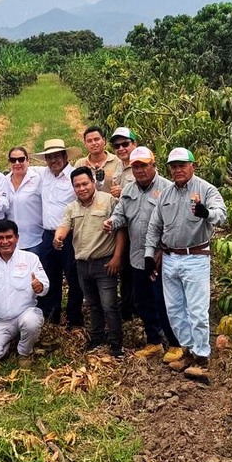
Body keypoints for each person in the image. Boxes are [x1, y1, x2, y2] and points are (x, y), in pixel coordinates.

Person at [144, 148, 227, 379]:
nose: (177, 169)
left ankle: (202, 357)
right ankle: (188, 352)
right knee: (175, 310)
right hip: (170, 258)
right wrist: (150, 256)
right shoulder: (166, 195)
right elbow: (154, 227)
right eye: (173, 166)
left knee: (197, 309)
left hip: (195, 257)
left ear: (193, 165)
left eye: (182, 165)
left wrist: (206, 213)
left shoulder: (206, 189)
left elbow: (222, 214)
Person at [105, 147, 180, 359]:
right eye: (135, 166)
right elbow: (120, 215)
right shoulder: (128, 190)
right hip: (137, 257)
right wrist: (111, 222)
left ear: (153, 166)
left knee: (164, 300)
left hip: (160, 258)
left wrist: (162, 251)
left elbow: (173, 224)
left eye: (144, 165)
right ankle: (154, 341)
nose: (139, 170)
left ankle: (175, 343)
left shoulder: (168, 189)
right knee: (142, 300)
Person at [54, 168, 124, 356]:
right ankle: (97, 338)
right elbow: (63, 226)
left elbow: (121, 230)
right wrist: (58, 238)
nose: (82, 188)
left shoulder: (109, 201)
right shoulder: (72, 208)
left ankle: (116, 345)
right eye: (77, 185)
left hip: (105, 262)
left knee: (109, 304)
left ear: (93, 182)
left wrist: (117, 257)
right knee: (93, 304)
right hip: (83, 264)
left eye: (85, 183)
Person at [0, 220, 49, 368]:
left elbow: (45, 287)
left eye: (9, 237)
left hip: (25, 313)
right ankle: (8, 341)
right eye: (0, 238)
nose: (5, 242)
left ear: (17, 238)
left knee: (31, 322)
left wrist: (39, 286)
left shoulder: (30, 259)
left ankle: (25, 352)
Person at [34, 139, 83, 327]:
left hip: (70, 235)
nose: (53, 160)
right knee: (49, 275)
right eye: (50, 157)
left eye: (57, 156)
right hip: (47, 234)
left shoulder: (74, 177)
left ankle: (74, 318)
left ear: (65, 156)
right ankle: (52, 314)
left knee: (73, 277)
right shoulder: (42, 176)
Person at [107, 127, 138, 320]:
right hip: (123, 225)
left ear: (134, 144)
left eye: (125, 144)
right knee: (126, 269)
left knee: (137, 269)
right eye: (117, 145)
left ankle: (135, 308)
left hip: (137, 226)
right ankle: (127, 308)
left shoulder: (139, 165)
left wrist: (123, 193)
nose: (121, 148)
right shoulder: (119, 166)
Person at [5, 146, 43, 252]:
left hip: (35, 240)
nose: (17, 163)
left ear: (28, 160)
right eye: (13, 160)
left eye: (21, 159)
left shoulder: (38, 179)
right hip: (11, 242)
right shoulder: (4, 181)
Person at [81, 126, 121, 192]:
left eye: (96, 139)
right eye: (89, 141)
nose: (93, 143)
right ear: (85, 144)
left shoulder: (117, 161)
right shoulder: (80, 164)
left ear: (104, 141)